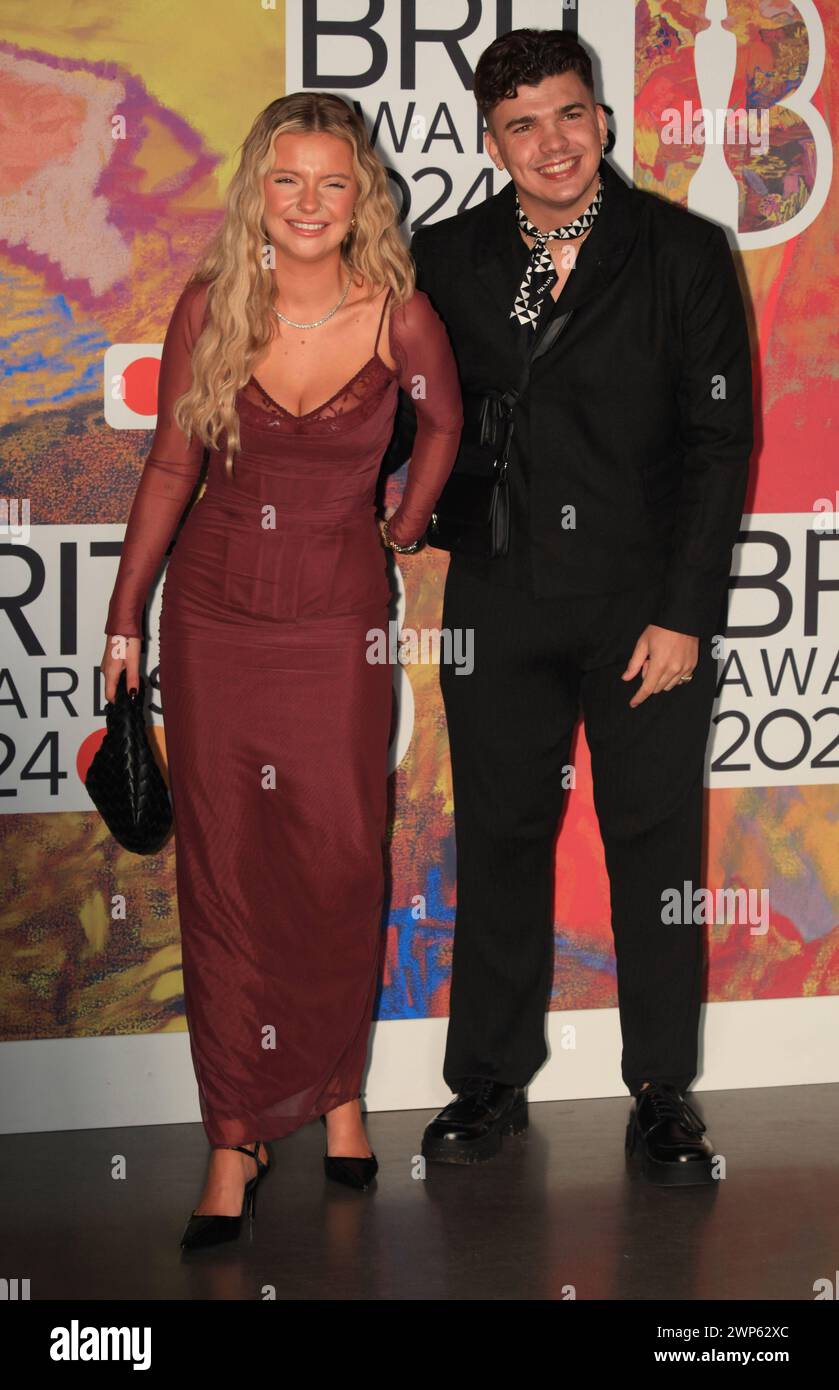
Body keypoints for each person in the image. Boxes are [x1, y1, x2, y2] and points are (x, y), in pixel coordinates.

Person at [101, 92, 463, 1247]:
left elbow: (443, 424)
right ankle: (233, 1132)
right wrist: (125, 618)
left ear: (361, 197)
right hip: (214, 617)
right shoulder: (211, 305)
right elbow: (168, 468)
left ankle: (336, 1091)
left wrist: (401, 525)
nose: (308, 204)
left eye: (332, 183)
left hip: (338, 619)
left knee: (338, 860)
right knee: (225, 868)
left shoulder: (399, 314)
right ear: (257, 189)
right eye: (286, 180)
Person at [402, 30, 753, 1184]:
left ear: (600, 121)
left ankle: (661, 1091)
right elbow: (408, 415)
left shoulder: (681, 249)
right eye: (520, 124)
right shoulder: (443, 255)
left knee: (653, 849)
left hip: (640, 606)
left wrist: (683, 614)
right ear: (488, 139)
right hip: (497, 595)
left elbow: (718, 440)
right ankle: (487, 1082)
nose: (548, 142)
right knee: (498, 840)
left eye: (567, 114)